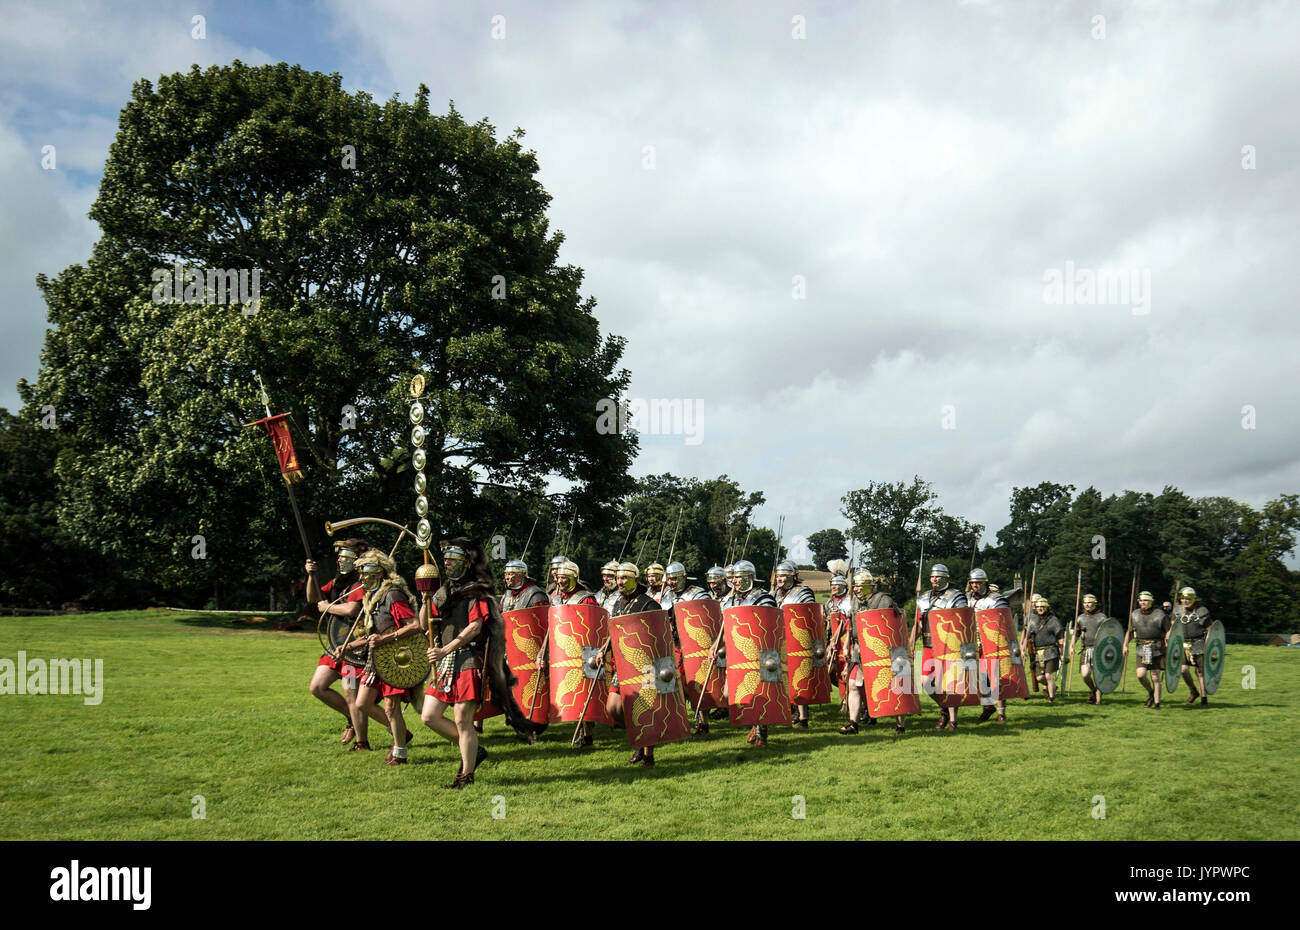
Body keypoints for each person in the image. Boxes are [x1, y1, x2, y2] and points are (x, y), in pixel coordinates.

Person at [306, 538, 396, 745]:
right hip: (336, 644)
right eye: (339, 557)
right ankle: (352, 718)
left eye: (344, 557)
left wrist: (327, 607)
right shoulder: (338, 582)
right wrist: (311, 575)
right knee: (318, 687)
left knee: (351, 693)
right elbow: (313, 598)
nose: (339, 561)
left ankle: (364, 742)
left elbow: (351, 609)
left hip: (355, 649)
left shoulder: (360, 583)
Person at [421, 540, 495, 787]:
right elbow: (425, 624)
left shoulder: (477, 590)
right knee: (429, 716)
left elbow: (475, 627)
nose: (447, 563)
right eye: (445, 559)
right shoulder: (441, 591)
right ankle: (474, 749)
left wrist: (445, 649)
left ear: (465, 562)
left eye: (452, 559)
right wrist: (425, 598)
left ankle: (466, 775)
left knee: (463, 720)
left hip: (468, 658)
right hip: (445, 660)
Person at [342, 549, 419, 764]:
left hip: (396, 658)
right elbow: (370, 635)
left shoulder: (392, 595)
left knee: (391, 708)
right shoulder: (371, 597)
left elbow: (414, 626)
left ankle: (400, 753)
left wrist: (387, 639)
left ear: (378, 573)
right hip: (376, 660)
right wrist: (348, 647)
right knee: (362, 703)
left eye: (364, 573)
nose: (360, 578)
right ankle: (400, 734)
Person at [714, 559, 779, 748]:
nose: (733, 581)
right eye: (732, 578)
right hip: (738, 654)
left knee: (759, 694)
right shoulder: (732, 600)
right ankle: (753, 723)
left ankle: (762, 735)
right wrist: (715, 646)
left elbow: (768, 626)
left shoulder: (763, 598)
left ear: (749, 578)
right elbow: (725, 626)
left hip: (761, 653)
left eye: (738, 578)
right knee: (728, 695)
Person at [606, 563, 663, 766]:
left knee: (645, 709)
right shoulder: (618, 604)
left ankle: (648, 755)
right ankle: (639, 739)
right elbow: (613, 631)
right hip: (622, 662)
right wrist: (603, 652)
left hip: (644, 665)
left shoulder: (649, 605)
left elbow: (658, 637)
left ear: (635, 580)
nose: (619, 582)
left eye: (623, 578)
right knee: (614, 708)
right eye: (618, 578)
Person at [909, 564, 969, 730]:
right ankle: (943, 708)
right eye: (933, 577)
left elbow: (962, 622)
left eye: (938, 577)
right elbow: (919, 623)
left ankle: (952, 720)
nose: (935, 580)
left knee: (949, 684)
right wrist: (912, 642)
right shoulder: (924, 598)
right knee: (926, 682)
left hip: (948, 646)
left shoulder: (956, 597)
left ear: (946, 579)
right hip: (928, 645)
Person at [848, 570, 907, 734]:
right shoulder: (854, 602)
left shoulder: (883, 600)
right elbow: (851, 626)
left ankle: (900, 725)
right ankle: (853, 724)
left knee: (893, 685)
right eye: (855, 587)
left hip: (884, 650)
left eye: (860, 586)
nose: (856, 590)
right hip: (860, 648)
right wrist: (847, 644)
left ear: (869, 586)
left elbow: (892, 625)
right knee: (854, 684)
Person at [969, 568, 1012, 723]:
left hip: (992, 642)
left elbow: (1004, 620)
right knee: (977, 679)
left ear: (984, 583)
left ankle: (1001, 713)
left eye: (978, 583)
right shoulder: (967, 599)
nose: (975, 585)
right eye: (973, 583)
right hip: (974, 643)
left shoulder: (996, 599)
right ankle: (988, 706)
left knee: (995, 678)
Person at [1123, 591, 1169, 708]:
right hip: (1141, 648)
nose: (1143, 603)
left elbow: (1168, 630)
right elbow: (1130, 631)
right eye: (1141, 601)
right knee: (1140, 674)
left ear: (1151, 601)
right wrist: (1125, 645)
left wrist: (1168, 638)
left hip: (1156, 648)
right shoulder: (1134, 614)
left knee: (1155, 676)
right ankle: (1151, 693)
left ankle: (1157, 703)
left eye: (1145, 600)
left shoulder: (1160, 615)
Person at [1174, 586, 1213, 705]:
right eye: (1183, 598)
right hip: (1183, 643)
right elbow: (1173, 626)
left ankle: (1203, 697)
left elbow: (1210, 629)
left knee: (1200, 672)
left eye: (1187, 598)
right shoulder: (1178, 611)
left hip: (1198, 643)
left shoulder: (1201, 611)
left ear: (1192, 599)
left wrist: (1207, 644)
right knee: (1183, 670)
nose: (1184, 601)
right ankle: (1193, 690)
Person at [1023, 596, 1065, 704]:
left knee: (1048, 675)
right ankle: (1053, 686)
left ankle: (1051, 698)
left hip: (1051, 651)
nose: (1040, 609)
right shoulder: (1032, 620)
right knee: (1039, 678)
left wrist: (1062, 653)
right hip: (1038, 653)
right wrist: (1023, 649)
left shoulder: (1053, 620)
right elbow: (1026, 636)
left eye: (1042, 607)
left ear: (1047, 608)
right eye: (1038, 607)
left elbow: (1060, 638)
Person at [1069, 593, 1108, 705]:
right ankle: (1093, 689)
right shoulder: (1080, 618)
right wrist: (1072, 645)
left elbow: (1108, 633)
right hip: (1086, 649)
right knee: (1085, 674)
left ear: (1094, 604)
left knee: (1098, 674)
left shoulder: (1102, 617)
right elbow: (1076, 633)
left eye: (1089, 602)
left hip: (1099, 649)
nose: (1087, 605)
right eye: (1085, 603)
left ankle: (1098, 700)